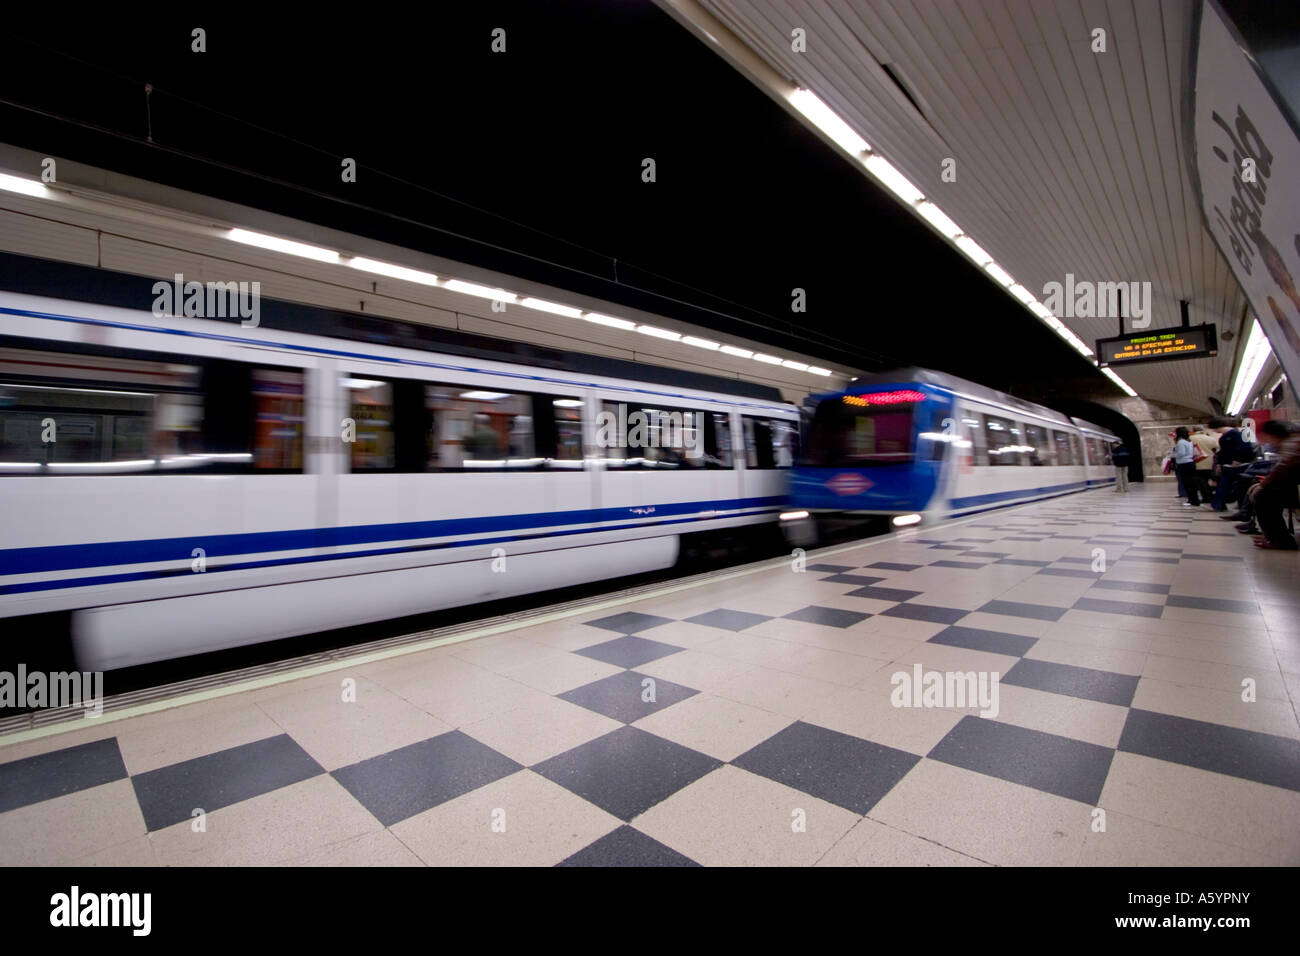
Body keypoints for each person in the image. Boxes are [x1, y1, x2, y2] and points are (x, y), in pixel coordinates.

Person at [1247, 420, 1300, 550]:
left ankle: (1280, 539)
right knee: (1265, 494)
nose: (1267, 441)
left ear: (1273, 435)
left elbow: (1283, 468)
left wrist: (1262, 485)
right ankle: (1274, 535)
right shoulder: (1291, 442)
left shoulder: (1292, 443)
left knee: (1264, 497)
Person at [1210, 417, 1257, 510]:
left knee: (1230, 487)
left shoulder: (1234, 435)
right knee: (1230, 487)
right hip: (1229, 465)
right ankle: (1221, 505)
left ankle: (1220, 505)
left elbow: (1244, 448)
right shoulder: (1228, 435)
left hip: (1237, 466)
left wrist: (1238, 459)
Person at [1172, 427, 1201, 506]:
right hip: (1190, 463)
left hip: (1184, 464)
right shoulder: (1188, 441)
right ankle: (1194, 499)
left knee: (1187, 483)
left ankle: (1192, 500)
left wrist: (1172, 455)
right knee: (1191, 483)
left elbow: (1181, 453)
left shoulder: (1181, 442)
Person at [1189, 426, 1218, 503]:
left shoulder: (1191, 438)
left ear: (1194, 430)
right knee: (1210, 480)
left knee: (1201, 482)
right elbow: (1216, 448)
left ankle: (1206, 497)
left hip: (1198, 463)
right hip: (1210, 463)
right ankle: (1212, 495)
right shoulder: (1210, 438)